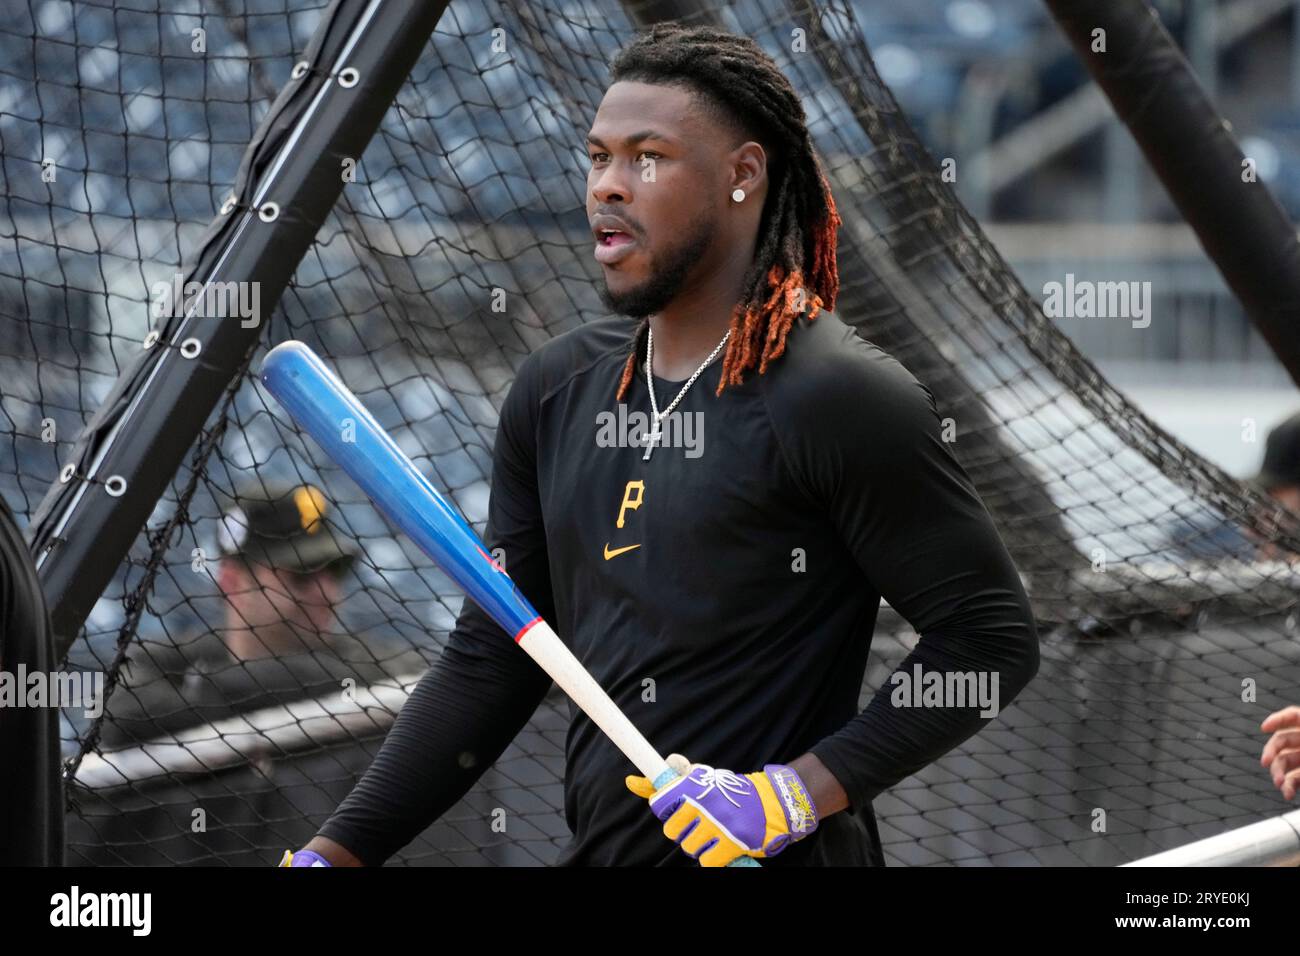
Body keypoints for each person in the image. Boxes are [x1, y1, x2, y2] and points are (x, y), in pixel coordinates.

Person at [283, 23, 1039, 869]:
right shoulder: (554, 390)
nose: (607, 186)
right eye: (597, 156)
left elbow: (989, 637)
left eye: (646, 158)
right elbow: (495, 655)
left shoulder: (840, 396)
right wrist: (338, 851)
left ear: (743, 176)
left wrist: (789, 797)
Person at [96, 481, 392, 749]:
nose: (328, 594)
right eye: (302, 574)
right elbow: (121, 711)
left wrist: (209, 693)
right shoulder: (162, 665)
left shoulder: (377, 666)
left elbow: (387, 674)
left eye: (336, 570)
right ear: (233, 583)